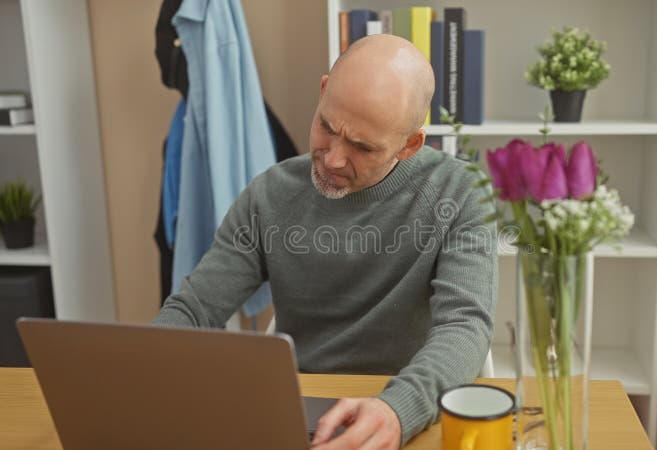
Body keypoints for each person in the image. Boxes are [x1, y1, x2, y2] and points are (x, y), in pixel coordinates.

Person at [153, 34, 498, 449]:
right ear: (323, 92)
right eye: (326, 127)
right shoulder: (270, 196)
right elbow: (194, 309)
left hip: (407, 415)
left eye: (362, 147)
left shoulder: (461, 192)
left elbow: (465, 326)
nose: (333, 158)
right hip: (301, 412)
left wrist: (397, 410)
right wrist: (141, 374)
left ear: (409, 145)